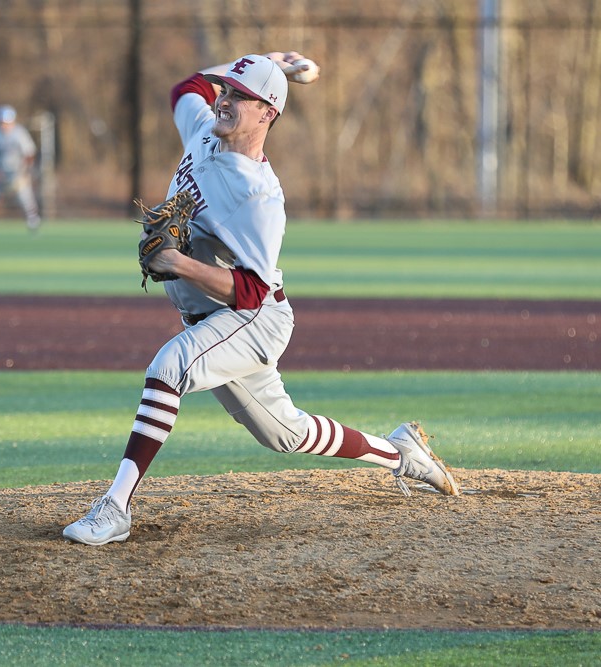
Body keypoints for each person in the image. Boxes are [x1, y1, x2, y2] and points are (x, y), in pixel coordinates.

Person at [62, 52, 461, 546]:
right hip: (212, 316)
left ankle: (115, 507)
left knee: (169, 368)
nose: (223, 101)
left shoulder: (259, 199)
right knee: (285, 434)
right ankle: (401, 453)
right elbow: (183, 87)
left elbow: (251, 292)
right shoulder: (206, 130)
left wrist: (178, 264)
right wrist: (270, 60)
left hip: (253, 318)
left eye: (238, 96)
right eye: (225, 91)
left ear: (267, 113)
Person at [0, 104, 41, 234]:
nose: (4, 125)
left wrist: (25, 171)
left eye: (7, 122)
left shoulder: (19, 133)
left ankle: (33, 222)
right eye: (2, 122)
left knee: (25, 197)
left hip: (17, 172)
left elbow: (29, 154)